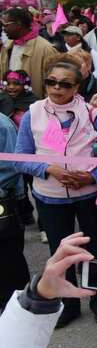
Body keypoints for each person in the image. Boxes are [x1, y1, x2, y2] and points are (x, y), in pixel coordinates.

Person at [14, 59, 97, 326]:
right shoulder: (32, 113)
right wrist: (50, 169)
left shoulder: (92, 113)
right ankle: (66, 305)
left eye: (64, 84)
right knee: (61, 252)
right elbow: (21, 157)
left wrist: (92, 176)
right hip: (50, 196)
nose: (57, 88)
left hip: (90, 194)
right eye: (51, 82)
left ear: (76, 87)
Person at [0, 111, 30, 301]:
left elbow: (12, 167)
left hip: (4, 202)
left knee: (9, 263)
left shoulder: (2, 125)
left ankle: (16, 307)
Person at [2, 7, 60, 98]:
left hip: (35, 104)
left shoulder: (46, 49)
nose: (3, 29)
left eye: (6, 25)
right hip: (9, 103)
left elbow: (54, 84)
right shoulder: (7, 46)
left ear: (18, 24)